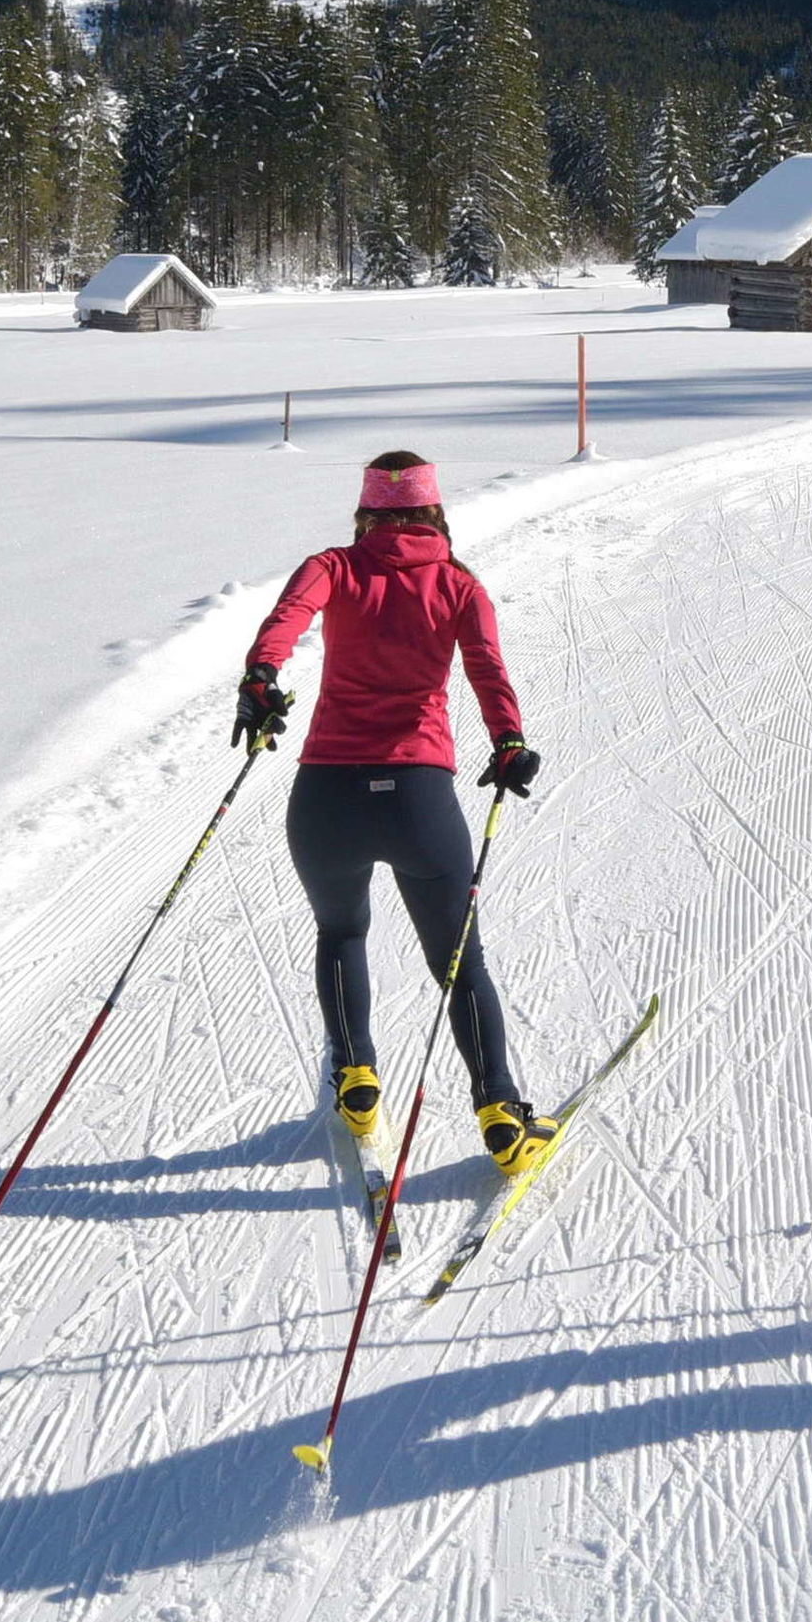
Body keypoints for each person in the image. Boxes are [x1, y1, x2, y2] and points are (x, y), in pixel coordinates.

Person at [238, 452, 555, 1176]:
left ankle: (355, 1077)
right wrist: (509, 740)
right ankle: (502, 1113)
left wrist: (261, 677)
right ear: (434, 511)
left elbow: (285, 620)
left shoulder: (333, 566)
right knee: (458, 964)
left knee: (341, 931)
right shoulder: (459, 583)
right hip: (419, 800)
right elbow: (486, 670)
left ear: (367, 512)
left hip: (325, 799)